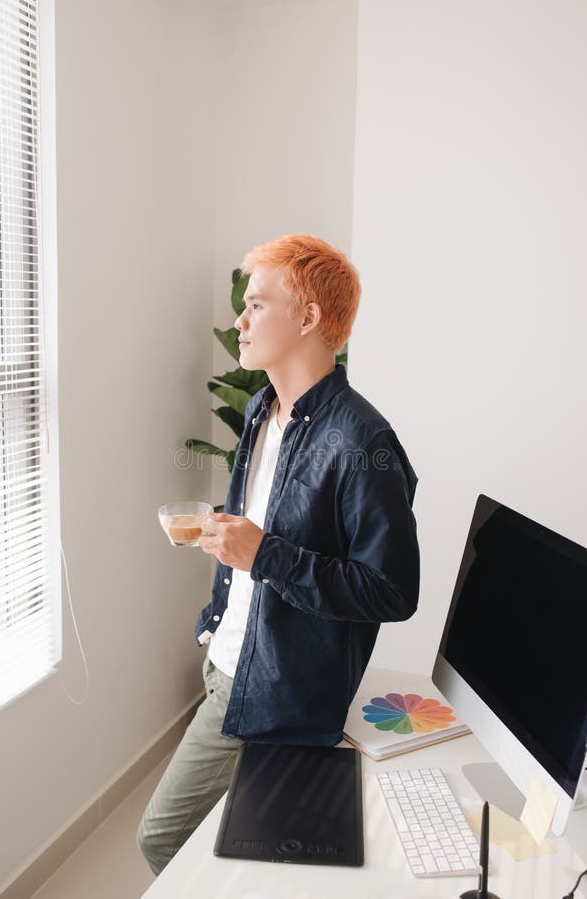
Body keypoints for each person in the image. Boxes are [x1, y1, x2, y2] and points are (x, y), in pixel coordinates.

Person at [137, 233, 420, 875]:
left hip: (272, 688)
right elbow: (264, 543)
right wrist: (223, 590)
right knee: (247, 851)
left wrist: (265, 555)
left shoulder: (363, 441)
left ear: (309, 317)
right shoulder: (263, 410)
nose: (239, 321)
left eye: (257, 305)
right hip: (227, 658)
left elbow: (391, 591)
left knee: (160, 838)